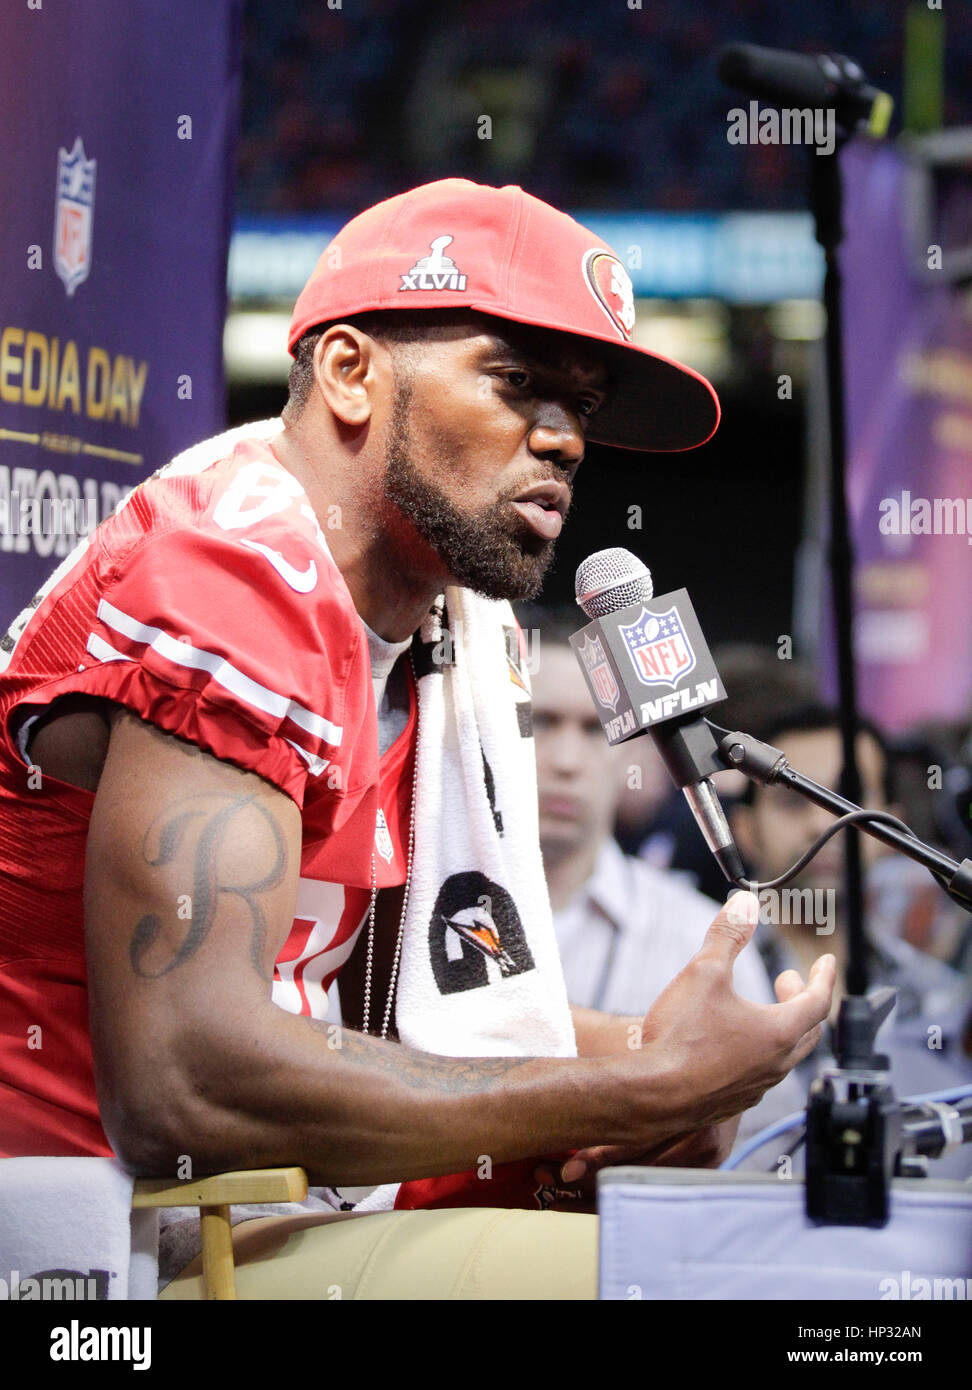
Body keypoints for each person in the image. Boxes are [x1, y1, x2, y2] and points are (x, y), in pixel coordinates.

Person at [0, 179, 834, 1299]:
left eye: (580, 404)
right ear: (351, 372)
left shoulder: (436, 624)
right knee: (749, 1289)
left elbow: (401, 1004)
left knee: (790, 1264)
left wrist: (656, 1059)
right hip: (94, 1245)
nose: (564, 438)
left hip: (241, 1214)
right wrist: (630, 1090)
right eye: (517, 382)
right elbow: (185, 1088)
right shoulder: (238, 569)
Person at [520, 604, 806, 1145]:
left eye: (594, 731)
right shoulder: (408, 911)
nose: (565, 761)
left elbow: (763, 1150)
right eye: (539, 722)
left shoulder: (702, 938)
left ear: (634, 749)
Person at [730, 703, 972, 1170]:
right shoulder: (706, 978)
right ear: (744, 829)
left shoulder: (941, 1000)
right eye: (790, 799)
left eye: (848, 797)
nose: (823, 824)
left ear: (892, 829)